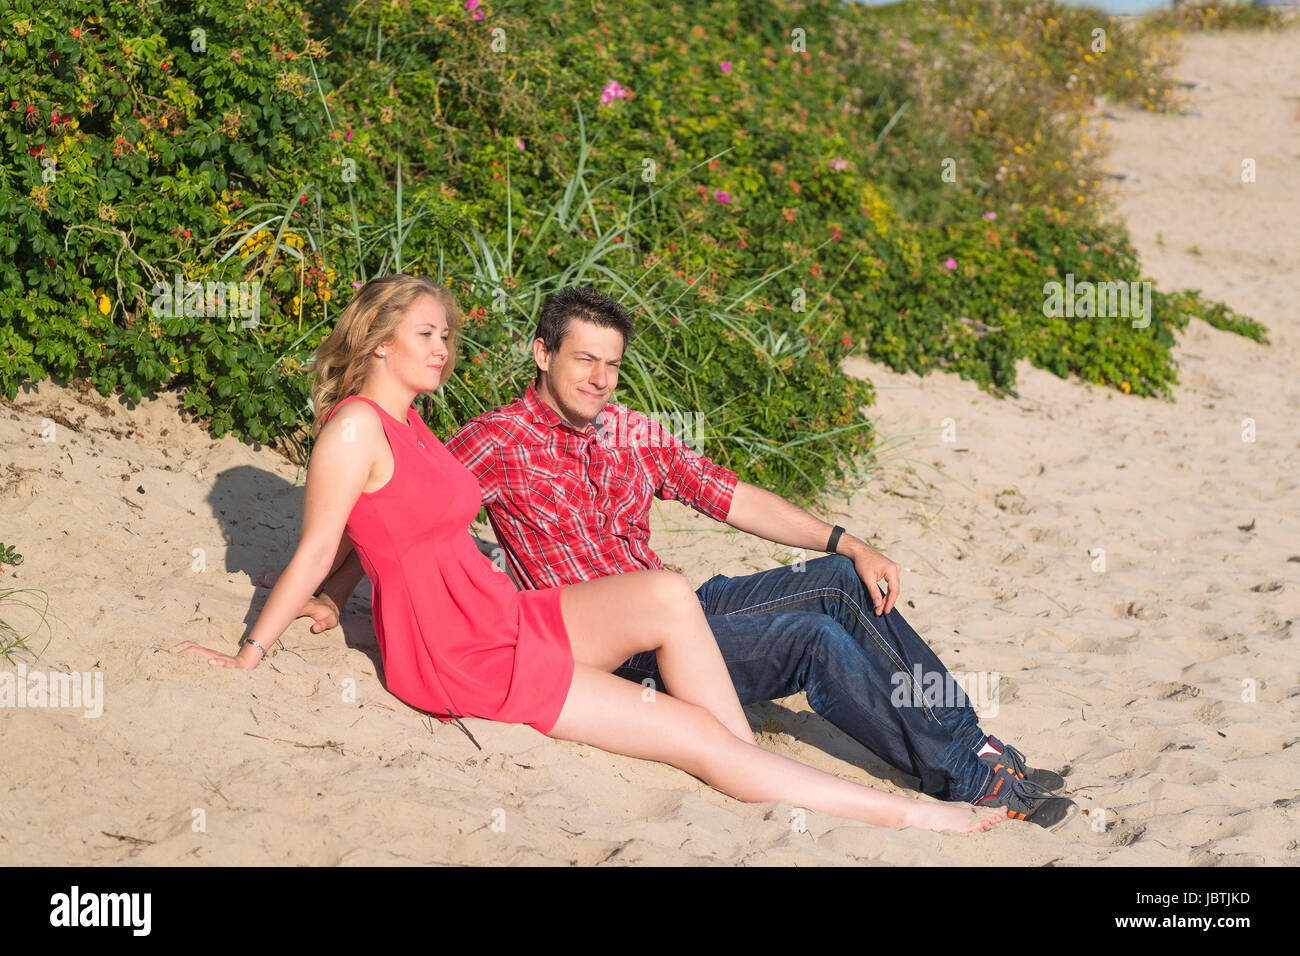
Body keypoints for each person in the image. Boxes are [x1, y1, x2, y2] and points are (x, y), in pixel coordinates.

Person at [184, 274, 1008, 833]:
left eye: (612, 365)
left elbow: (734, 498)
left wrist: (845, 537)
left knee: (832, 578)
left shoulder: (623, 432)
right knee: (819, 631)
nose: (600, 378)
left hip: (616, 609)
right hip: (582, 644)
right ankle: (961, 776)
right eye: (585, 359)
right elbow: (371, 521)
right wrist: (308, 609)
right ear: (544, 355)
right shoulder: (491, 437)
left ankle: (969, 749)